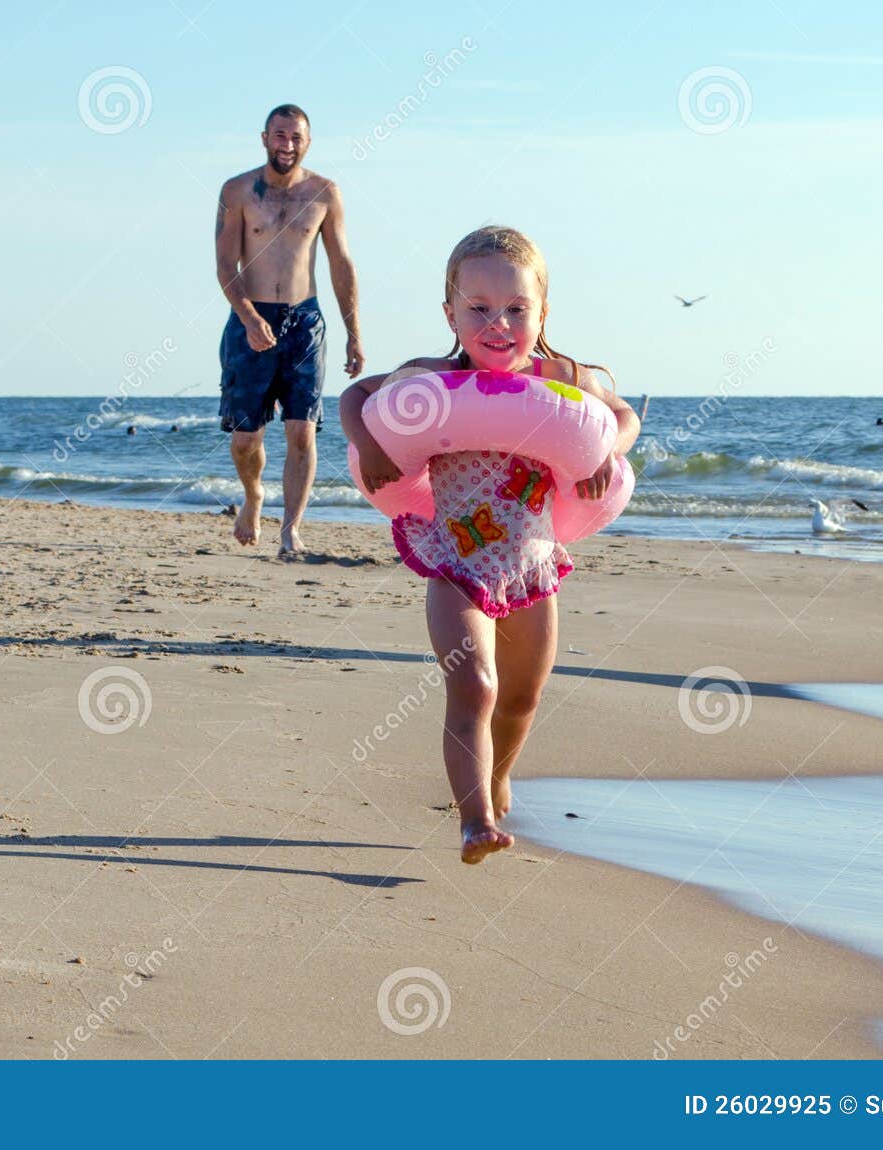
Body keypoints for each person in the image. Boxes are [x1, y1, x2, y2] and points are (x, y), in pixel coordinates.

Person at [340, 226, 638, 864]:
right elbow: (356, 395)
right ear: (450, 313)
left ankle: (499, 775)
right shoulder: (432, 380)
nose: (497, 324)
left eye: (516, 309)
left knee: (523, 697)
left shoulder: (563, 379)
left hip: (531, 565)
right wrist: (368, 445)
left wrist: (605, 451)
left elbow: (624, 416)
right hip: (456, 563)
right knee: (475, 685)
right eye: (478, 308)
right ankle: (474, 821)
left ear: (542, 313)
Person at [215, 104, 363, 557]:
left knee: (302, 431)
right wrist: (249, 318)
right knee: (246, 439)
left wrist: (353, 332)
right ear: (265, 139)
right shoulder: (238, 191)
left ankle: (291, 530)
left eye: (296, 137)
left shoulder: (324, 193)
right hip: (251, 317)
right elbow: (225, 265)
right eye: (280, 135)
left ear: (308, 142)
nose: (288, 145)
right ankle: (254, 495)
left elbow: (341, 264)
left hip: (305, 321)